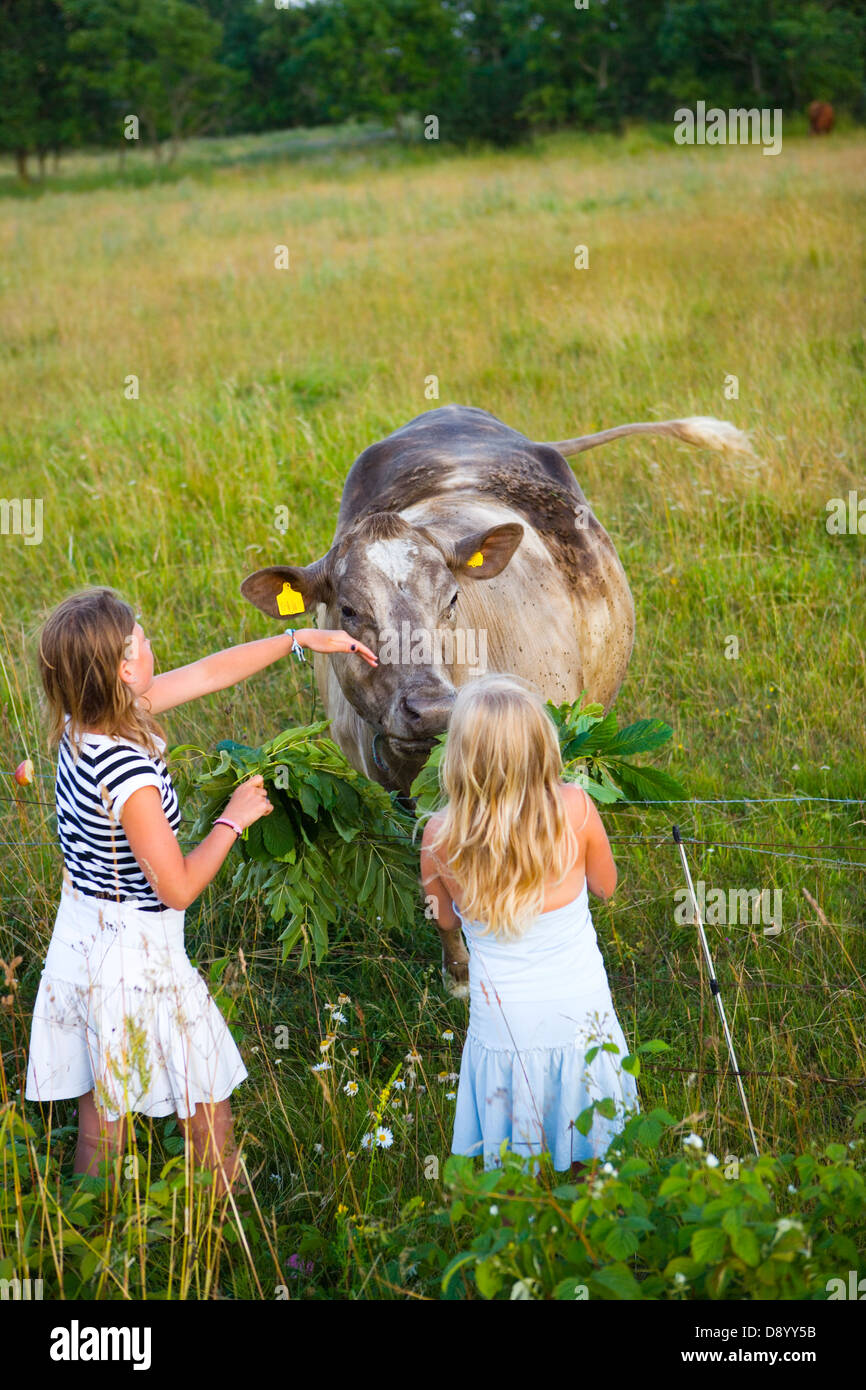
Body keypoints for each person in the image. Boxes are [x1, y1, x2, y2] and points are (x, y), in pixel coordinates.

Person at [25, 586, 377, 1195]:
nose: (152, 639)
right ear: (126, 668)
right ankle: (227, 1219)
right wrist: (232, 819)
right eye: (142, 635)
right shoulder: (128, 774)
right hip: (136, 952)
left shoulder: (83, 722)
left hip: (81, 939)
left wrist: (300, 639)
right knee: (205, 1093)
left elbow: (213, 672)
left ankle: (89, 1240)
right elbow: (179, 888)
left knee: (100, 1119)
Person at [420, 673, 639, 1175]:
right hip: (580, 1010)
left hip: (505, 1020)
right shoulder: (577, 809)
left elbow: (446, 918)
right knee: (592, 1131)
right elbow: (607, 887)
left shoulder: (439, 836)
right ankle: (591, 1220)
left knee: (515, 1150)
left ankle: (524, 1235)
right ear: (542, 744)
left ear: (460, 756)